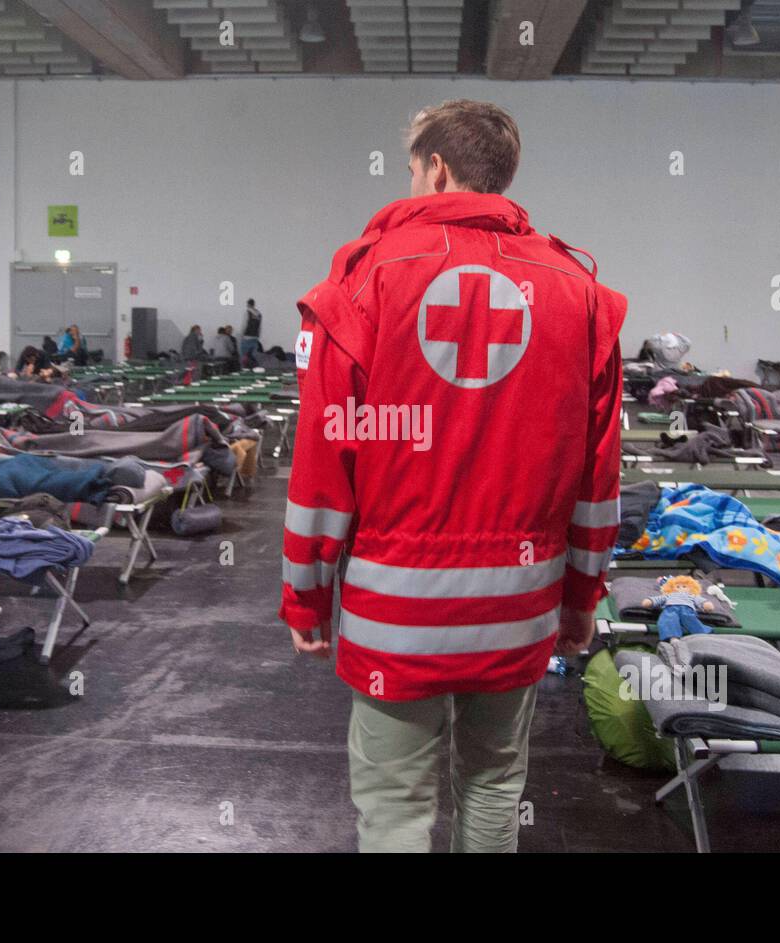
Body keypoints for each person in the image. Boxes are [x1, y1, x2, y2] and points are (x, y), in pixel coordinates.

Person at [279, 99, 625, 853]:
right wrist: (580, 597)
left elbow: (325, 457)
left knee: (397, 808)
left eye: (411, 170)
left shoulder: (364, 282)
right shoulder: (579, 295)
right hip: (519, 606)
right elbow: (598, 479)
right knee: (495, 782)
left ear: (435, 169)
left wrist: (306, 594)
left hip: (395, 615)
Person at [241, 299, 262, 366]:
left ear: (248, 304)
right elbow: (260, 327)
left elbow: (244, 324)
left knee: (244, 356)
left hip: (247, 337)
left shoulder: (247, 312)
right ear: (254, 304)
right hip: (255, 337)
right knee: (253, 356)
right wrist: (258, 336)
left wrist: (242, 335)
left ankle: (245, 369)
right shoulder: (259, 314)